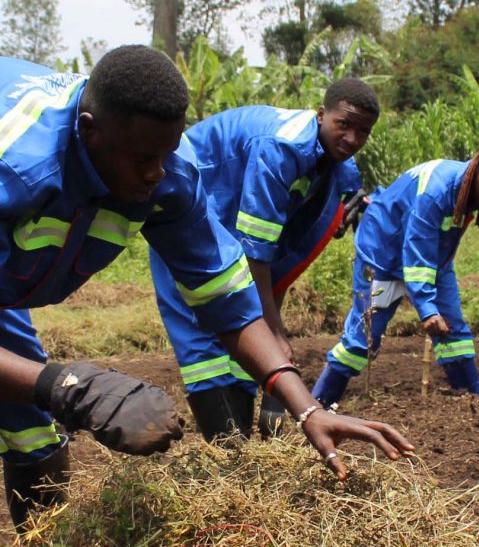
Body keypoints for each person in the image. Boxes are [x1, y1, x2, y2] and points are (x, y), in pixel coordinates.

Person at [0, 47, 415, 547]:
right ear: (88, 131)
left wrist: (308, 407)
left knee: (22, 394)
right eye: (141, 160)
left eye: (165, 156)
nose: (155, 173)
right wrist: (73, 388)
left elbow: (229, 302)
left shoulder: (166, 172)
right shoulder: (8, 162)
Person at [150, 80, 380, 441]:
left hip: (226, 218)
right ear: (321, 115)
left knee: (245, 338)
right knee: (202, 333)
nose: (352, 138)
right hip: (186, 208)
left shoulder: (331, 162)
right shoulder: (281, 147)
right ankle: (230, 454)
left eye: (363, 132)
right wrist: (273, 330)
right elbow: (257, 251)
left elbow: (276, 254)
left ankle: (243, 454)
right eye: (344, 124)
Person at [308, 146, 479, 407]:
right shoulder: (437, 191)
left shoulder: (467, 190)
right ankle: (316, 407)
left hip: (433, 261)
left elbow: (425, 251)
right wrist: (428, 310)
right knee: (364, 339)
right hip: (383, 256)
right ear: (478, 170)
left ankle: (476, 402)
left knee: (454, 330)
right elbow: (416, 250)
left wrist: (435, 306)